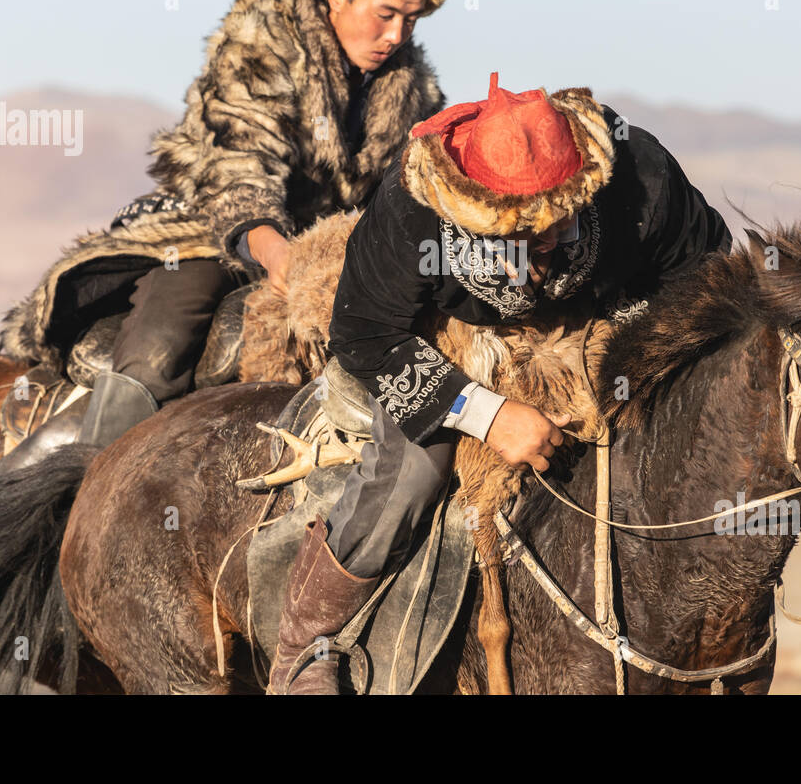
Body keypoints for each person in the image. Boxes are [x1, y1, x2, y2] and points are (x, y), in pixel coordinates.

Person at [266, 73, 733, 693]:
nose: (539, 249)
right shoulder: (413, 207)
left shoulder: (637, 173)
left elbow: (705, 275)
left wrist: (632, 359)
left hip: (603, 326)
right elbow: (364, 334)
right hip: (446, 333)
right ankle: (308, 651)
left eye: (556, 229)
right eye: (515, 236)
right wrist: (489, 414)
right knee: (412, 474)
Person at [0, 0, 450, 470]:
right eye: (386, 14)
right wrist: (282, 257)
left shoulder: (414, 87)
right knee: (161, 352)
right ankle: (65, 494)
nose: (396, 36)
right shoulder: (263, 34)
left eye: (411, 21)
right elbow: (239, 165)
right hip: (211, 230)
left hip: (326, 258)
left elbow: (411, 193)